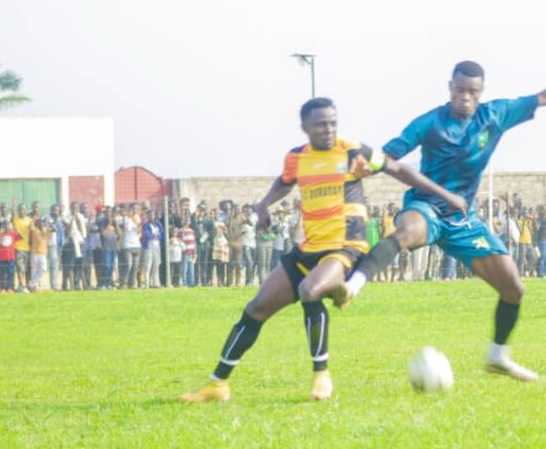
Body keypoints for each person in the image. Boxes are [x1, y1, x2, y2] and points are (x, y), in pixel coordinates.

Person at [338, 62, 546, 382]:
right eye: (459, 90)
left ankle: (497, 356)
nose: (464, 97)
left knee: (514, 288)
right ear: (450, 87)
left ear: (481, 92)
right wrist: (368, 164)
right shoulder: (430, 123)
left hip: (463, 220)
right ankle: (353, 285)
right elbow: (394, 150)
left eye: (472, 92)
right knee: (407, 231)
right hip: (427, 207)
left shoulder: (495, 115)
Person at [181, 97, 465, 403]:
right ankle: (217, 384)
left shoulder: (353, 151)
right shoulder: (296, 158)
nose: (328, 129)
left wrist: (446, 195)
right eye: (320, 124)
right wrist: (264, 204)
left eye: (332, 122)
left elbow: (400, 171)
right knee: (255, 309)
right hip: (308, 249)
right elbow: (284, 181)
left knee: (310, 290)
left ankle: (322, 376)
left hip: (346, 246)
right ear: (305, 127)